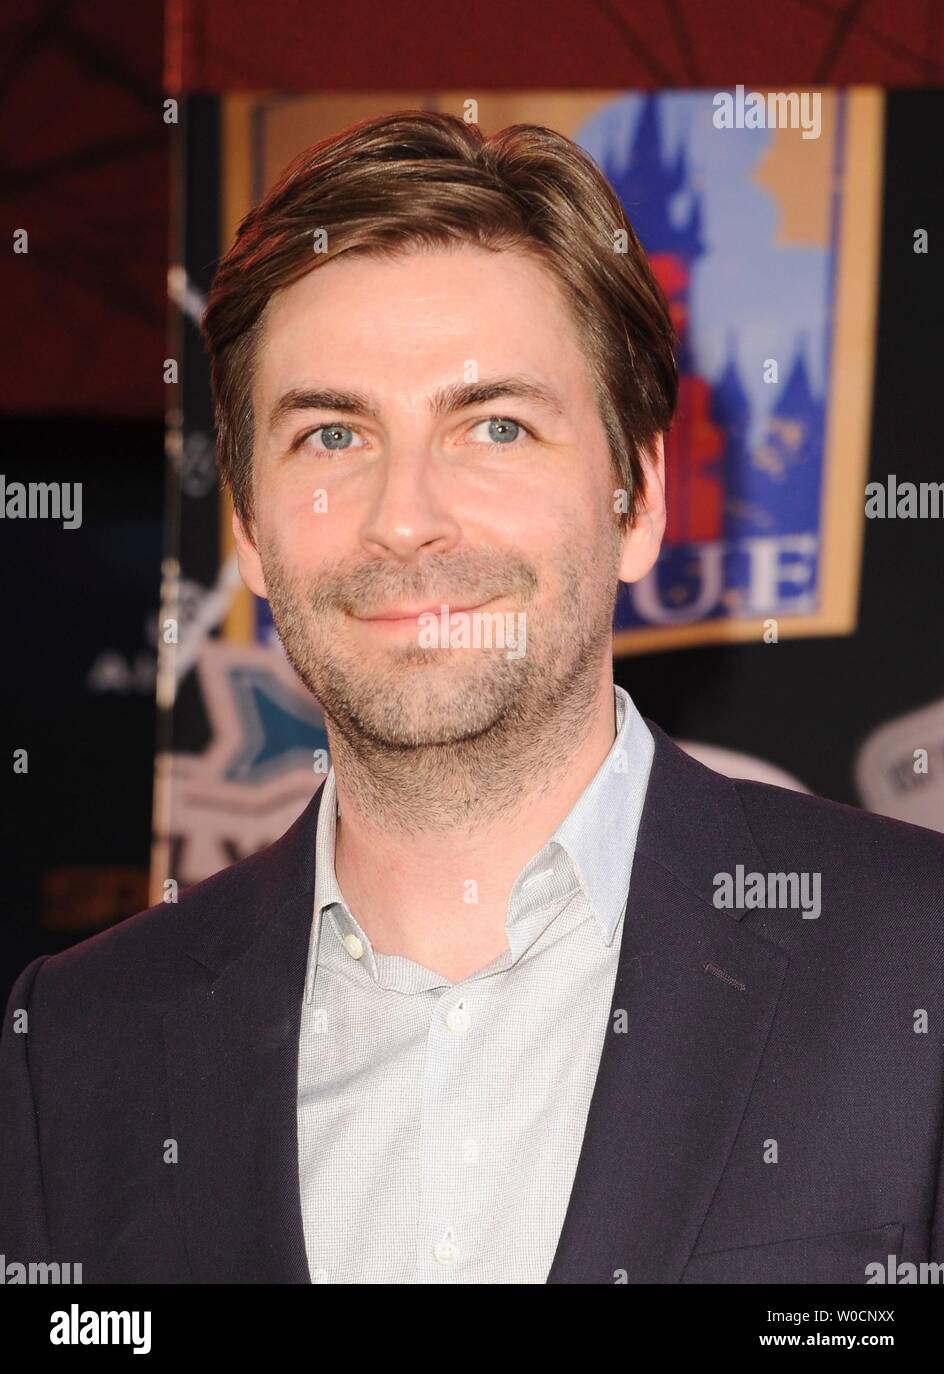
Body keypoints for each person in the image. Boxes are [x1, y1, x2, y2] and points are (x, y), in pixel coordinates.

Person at [2, 110, 942, 1285]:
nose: (406, 516)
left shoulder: (917, 968)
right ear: (245, 525)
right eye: (333, 435)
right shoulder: (79, 1048)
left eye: (494, 424)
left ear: (636, 493)